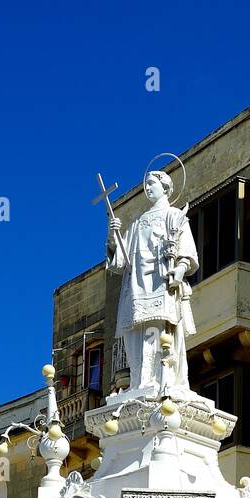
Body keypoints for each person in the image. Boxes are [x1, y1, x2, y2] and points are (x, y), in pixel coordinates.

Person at [107, 169, 198, 396]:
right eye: (145, 184)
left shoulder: (175, 216)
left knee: (159, 332)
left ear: (165, 187)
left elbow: (187, 250)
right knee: (136, 335)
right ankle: (139, 381)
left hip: (162, 284)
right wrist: (113, 237)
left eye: (151, 183)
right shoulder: (137, 223)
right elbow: (120, 262)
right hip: (137, 287)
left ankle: (161, 378)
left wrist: (180, 269)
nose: (147, 188)